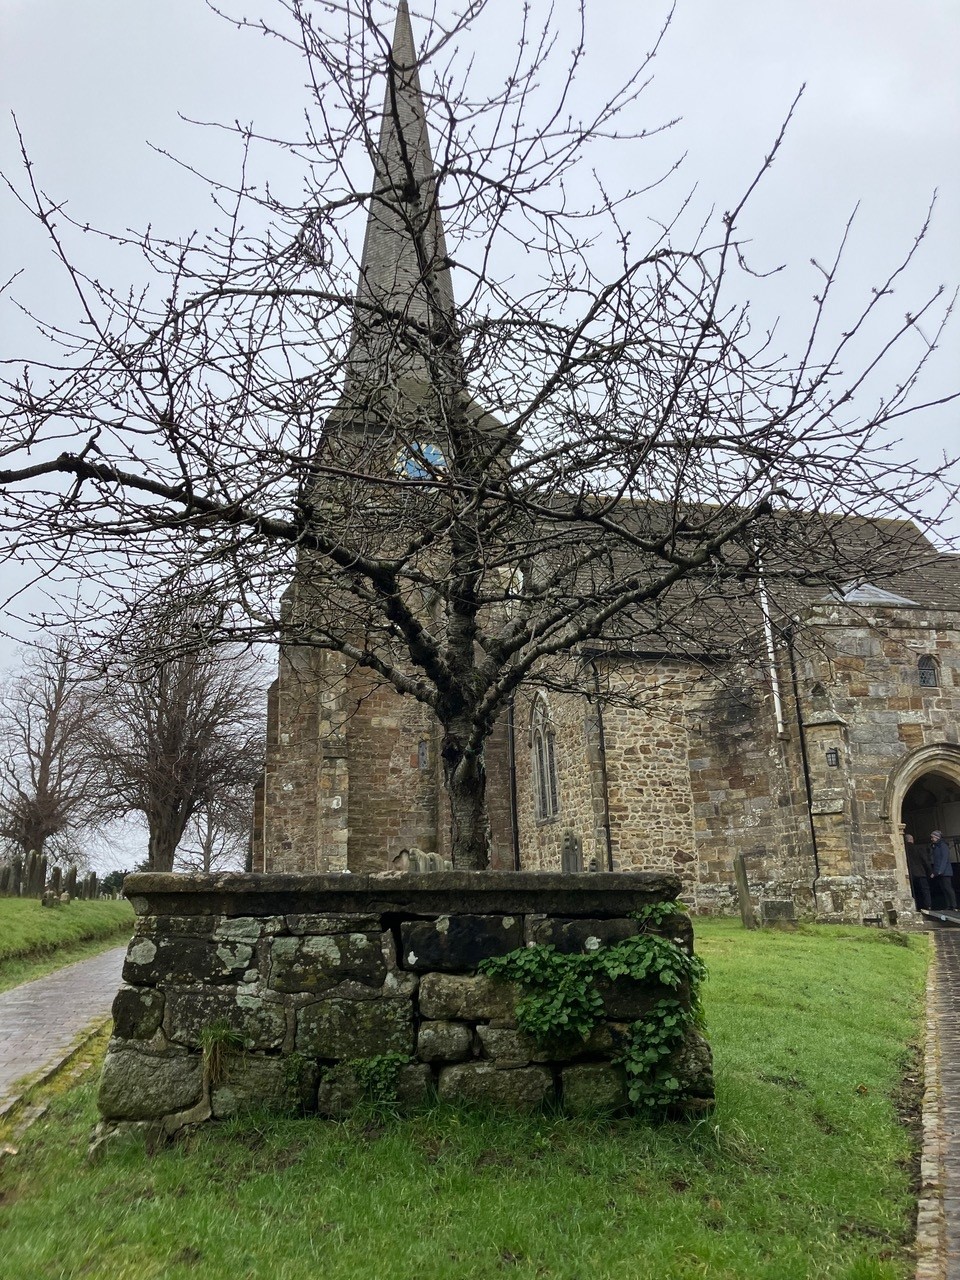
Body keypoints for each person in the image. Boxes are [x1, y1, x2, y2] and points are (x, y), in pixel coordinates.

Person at [929, 831, 957, 910]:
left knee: (948, 888)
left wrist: (940, 871)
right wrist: (935, 872)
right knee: (944, 889)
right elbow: (936, 861)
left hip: (945, 872)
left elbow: (944, 859)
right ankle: (949, 905)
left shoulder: (943, 846)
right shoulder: (935, 846)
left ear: (937, 837)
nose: (931, 839)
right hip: (939, 872)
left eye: (932, 837)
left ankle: (954, 905)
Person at [904, 833, 932, 910]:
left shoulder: (904, 849)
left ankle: (916, 906)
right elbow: (925, 861)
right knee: (925, 889)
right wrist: (930, 871)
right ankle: (928, 905)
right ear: (912, 840)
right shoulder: (918, 848)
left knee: (913, 890)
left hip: (910, 873)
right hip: (920, 872)